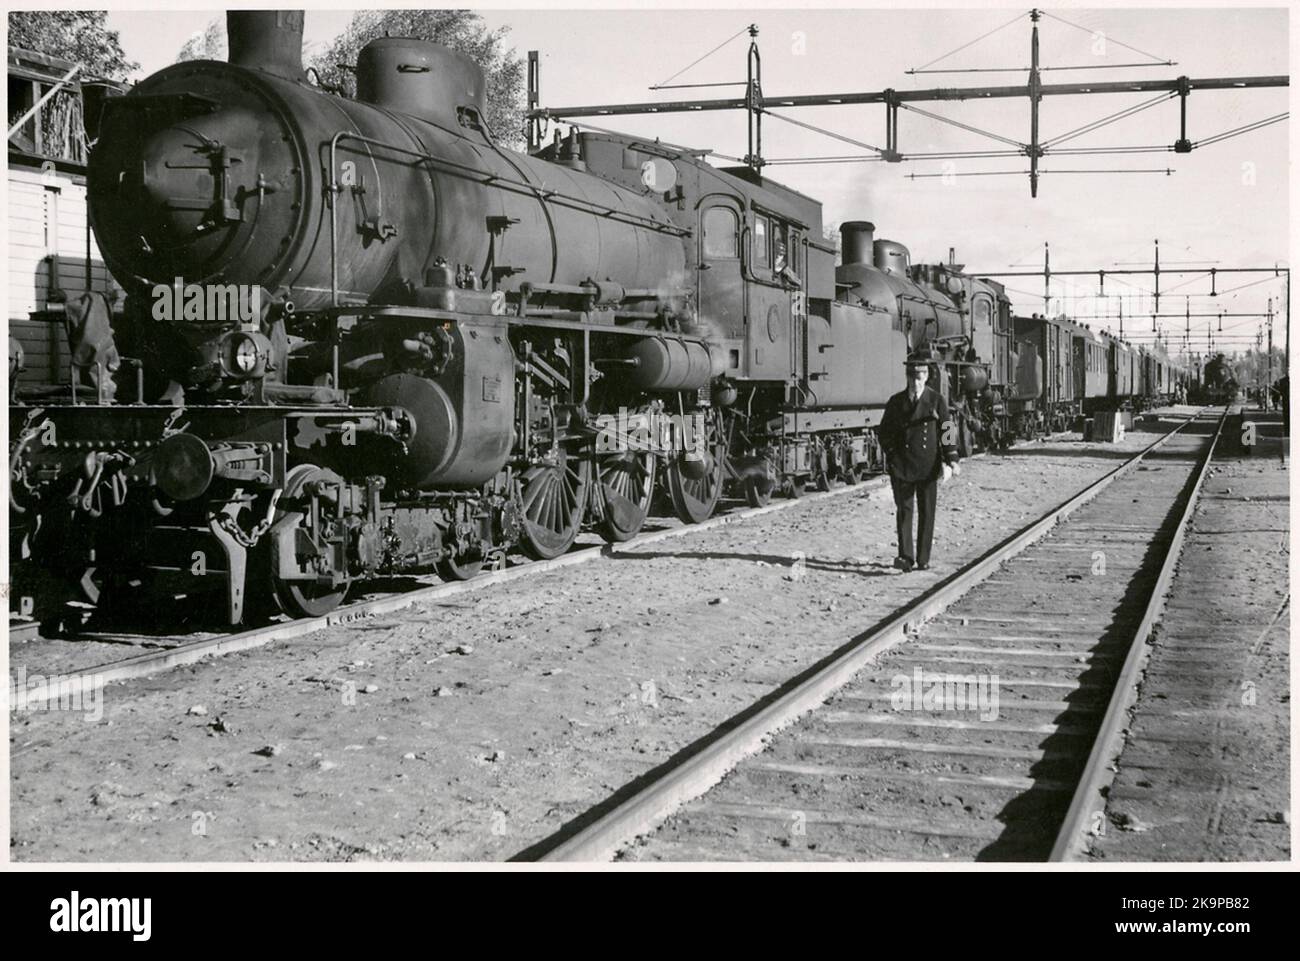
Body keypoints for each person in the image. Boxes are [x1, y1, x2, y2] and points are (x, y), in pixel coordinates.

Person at [877, 347, 961, 572]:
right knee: (904, 511)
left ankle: (924, 558)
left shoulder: (936, 401)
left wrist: (951, 458)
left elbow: (946, 428)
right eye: (911, 376)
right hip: (903, 466)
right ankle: (905, 556)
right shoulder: (896, 402)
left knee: (927, 512)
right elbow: (884, 432)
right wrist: (892, 456)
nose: (915, 381)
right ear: (907, 377)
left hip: (928, 465)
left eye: (919, 376)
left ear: (926, 376)